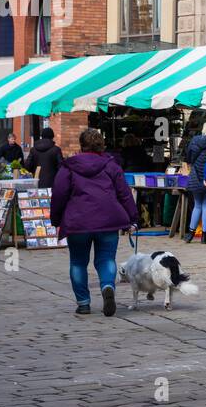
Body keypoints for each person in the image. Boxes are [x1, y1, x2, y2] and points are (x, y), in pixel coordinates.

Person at [50, 127, 139, 316]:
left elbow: (58, 194)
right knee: (106, 258)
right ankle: (108, 286)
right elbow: (124, 193)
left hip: (78, 221)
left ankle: (83, 303)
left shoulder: (69, 167)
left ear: (81, 146)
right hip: (108, 219)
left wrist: (56, 219)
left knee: (78, 262)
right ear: (101, 145)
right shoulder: (111, 165)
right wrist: (133, 217)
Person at [184, 120, 206, 244]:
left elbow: (189, 157)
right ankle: (204, 235)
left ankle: (191, 233)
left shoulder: (195, 140)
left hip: (195, 175)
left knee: (197, 205)